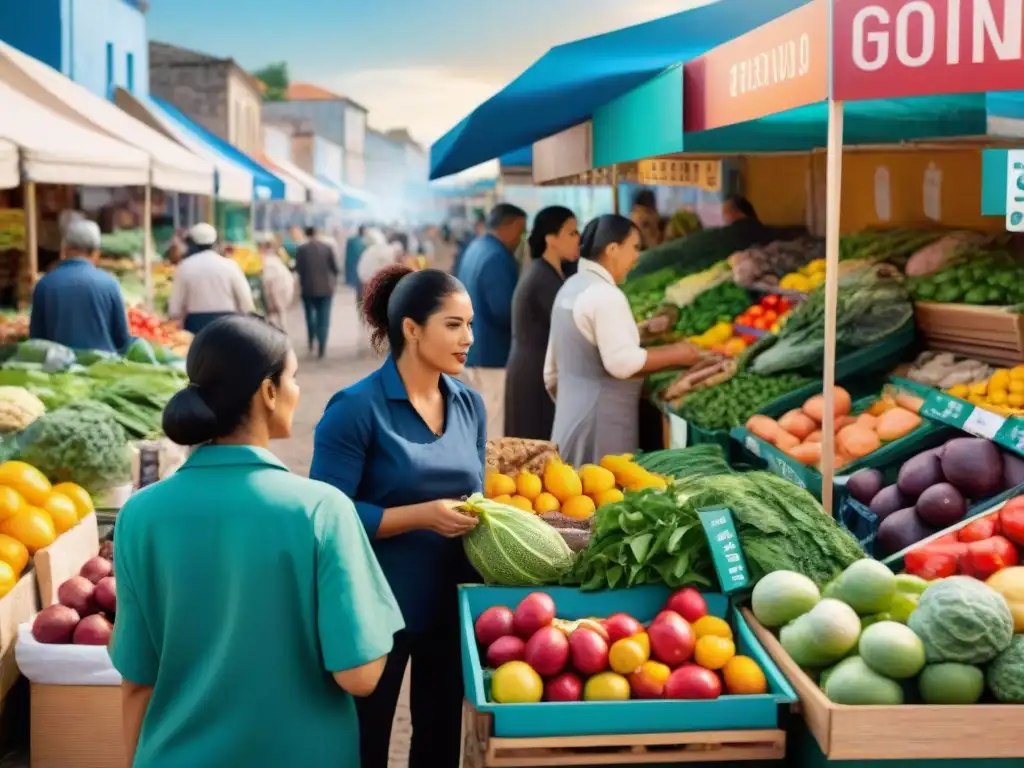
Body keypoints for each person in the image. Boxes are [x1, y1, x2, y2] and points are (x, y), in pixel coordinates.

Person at [108, 315, 404, 767]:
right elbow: (359, 676)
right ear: (268, 391)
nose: (297, 391)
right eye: (294, 378)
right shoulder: (322, 510)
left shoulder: (140, 515)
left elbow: (137, 682)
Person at [310, 265, 484, 768]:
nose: (468, 338)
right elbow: (327, 516)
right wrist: (420, 516)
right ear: (411, 328)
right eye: (453, 325)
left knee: (438, 742)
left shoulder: (469, 404)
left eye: (470, 325)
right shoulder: (354, 409)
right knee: (364, 742)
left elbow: (477, 496)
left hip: (451, 604)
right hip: (373, 608)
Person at [545, 214, 701, 465]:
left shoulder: (571, 287)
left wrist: (641, 331)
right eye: (635, 247)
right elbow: (622, 363)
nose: (637, 257)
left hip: (569, 417)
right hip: (604, 423)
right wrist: (682, 354)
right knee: (605, 497)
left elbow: (550, 373)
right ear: (613, 249)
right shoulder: (606, 294)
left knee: (571, 496)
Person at [505, 206, 579, 440]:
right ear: (551, 239)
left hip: (537, 368)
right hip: (533, 374)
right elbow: (571, 327)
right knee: (533, 451)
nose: (579, 239)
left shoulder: (551, 272)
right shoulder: (542, 277)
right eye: (572, 233)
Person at [456, 203, 527, 439]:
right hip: (493, 354)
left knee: (483, 416)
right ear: (510, 226)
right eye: (520, 230)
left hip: (474, 348)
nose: (520, 238)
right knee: (494, 424)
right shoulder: (497, 256)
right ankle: (489, 474)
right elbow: (504, 311)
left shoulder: (476, 247)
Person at [29, 219, 130, 353]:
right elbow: (122, 340)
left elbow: (36, 340)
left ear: (64, 249)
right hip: (103, 369)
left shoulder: (44, 285)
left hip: (58, 370)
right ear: (96, 253)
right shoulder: (110, 284)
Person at [168, 223, 255, 334]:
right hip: (228, 323)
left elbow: (175, 308)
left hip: (196, 325)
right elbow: (246, 302)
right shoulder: (230, 265)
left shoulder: (185, 266)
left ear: (191, 243)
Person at [294, 226, 339, 359]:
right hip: (326, 289)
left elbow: (298, 268)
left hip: (307, 289)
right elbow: (335, 269)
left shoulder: (302, 249)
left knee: (310, 316)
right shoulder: (327, 247)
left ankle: (311, 340)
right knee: (323, 318)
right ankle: (322, 347)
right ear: (317, 233)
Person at [258, 234, 295, 332]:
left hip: (270, 284)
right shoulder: (278, 258)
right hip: (281, 284)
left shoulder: (263, 259)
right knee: (281, 311)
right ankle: (282, 330)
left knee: (270, 313)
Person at [344, 225, 367, 301]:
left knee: (359, 283)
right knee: (359, 283)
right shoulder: (360, 241)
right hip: (358, 264)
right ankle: (360, 297)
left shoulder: (352, 240)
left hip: (356, 264)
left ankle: (359, 297)